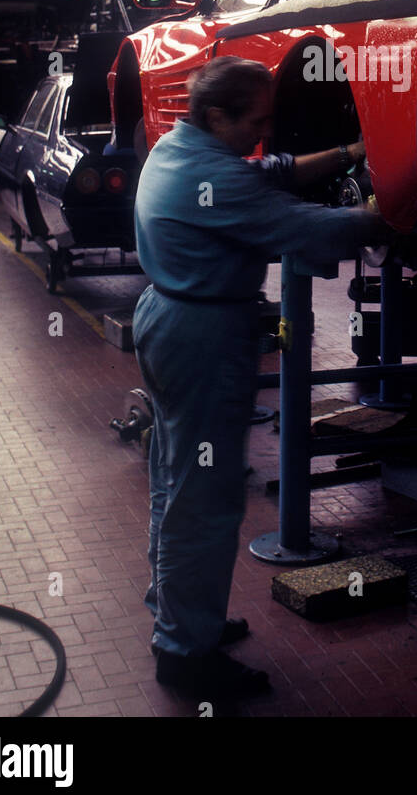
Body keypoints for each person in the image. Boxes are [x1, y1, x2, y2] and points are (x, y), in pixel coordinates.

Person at [131, 56, 389, 700]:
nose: (264, 134)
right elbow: (303, 227)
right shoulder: (210, 177)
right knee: (209, 498)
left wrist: (349, 152)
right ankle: (185, 652)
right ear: (217, 115)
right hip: (204, 336)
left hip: (166, 317)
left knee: (174, 475)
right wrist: (391, 212)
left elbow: (262, 173)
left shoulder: (176, 146)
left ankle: (179, 608)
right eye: (257, 120)